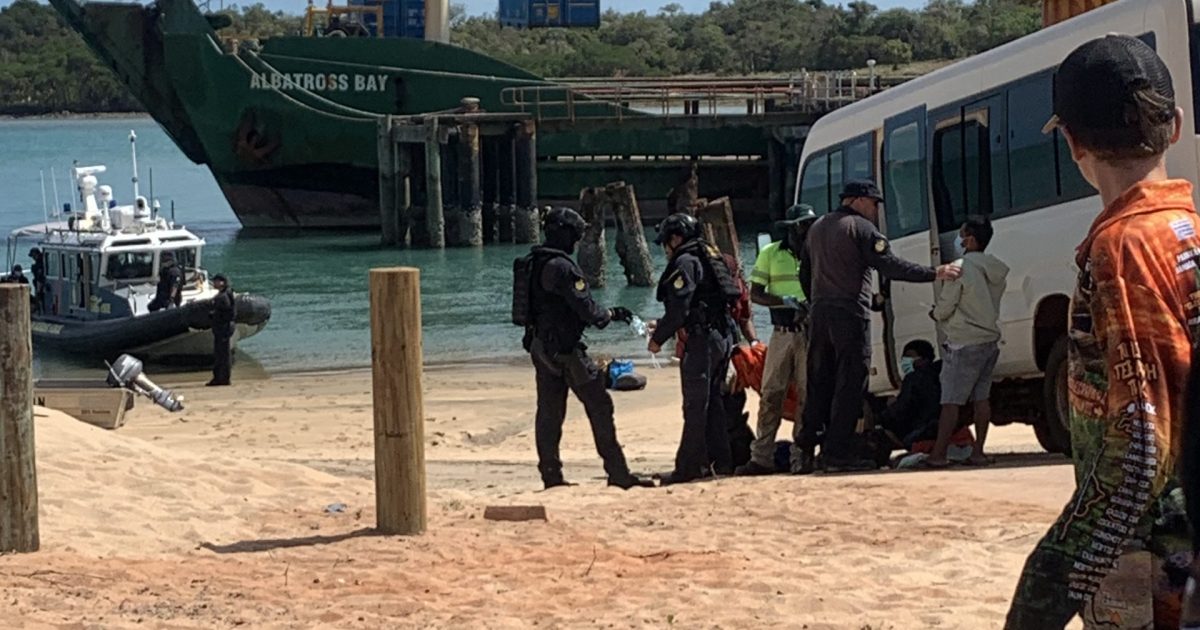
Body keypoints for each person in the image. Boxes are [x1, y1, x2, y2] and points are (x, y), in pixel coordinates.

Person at [1005, 35, 1200, 629]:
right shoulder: (1188, 234)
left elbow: (1139, 454)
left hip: (1155, 578)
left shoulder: (1121, 251)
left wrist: (1042, 595)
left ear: (1071, 142)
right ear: (1175, 127)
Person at [797, 180, 960, 473]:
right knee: (850, 383)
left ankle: (806, 450)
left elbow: (804, 273)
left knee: (819, 381)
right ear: (858, 200)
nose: (875, 210)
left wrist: (818, 300)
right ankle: (836, 454)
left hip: (820, 314)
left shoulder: (817, 227)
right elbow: (890, 265)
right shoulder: (861, 229)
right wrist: (934, 273)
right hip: (849, 312)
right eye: (874, 204)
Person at [515, 207, 653, 490]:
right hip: (566, 351)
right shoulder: (564, 268)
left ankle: (551, 476)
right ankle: (618, 474)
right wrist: (615, 313)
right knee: (600, 405)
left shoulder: (532, 263)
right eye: (576, 235)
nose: (577, 241)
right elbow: (591, 313)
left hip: (540, 347)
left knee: (549, 413)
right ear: (566, 235)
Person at [648, 213, 741, 485]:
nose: (665, 249)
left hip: (703, 341)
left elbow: (679, 308)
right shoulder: (708, 256)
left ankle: (688, 468)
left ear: (676, 239)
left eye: (666, 242)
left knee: (695, 405)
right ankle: (719, 462)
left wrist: (658, 339)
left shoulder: (686, 261)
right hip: (721, 336)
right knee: (712, 404)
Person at [737, 203, 818, 476]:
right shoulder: (770, 254)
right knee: (771, 394)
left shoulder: (818, 253)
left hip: (810, 333)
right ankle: (762, 457)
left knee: (807, 398)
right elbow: (756, 294)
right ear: (793, 228)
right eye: (804, 225)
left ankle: (800, 458)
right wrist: (784, 302)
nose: (808, 230)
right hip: (782, 333)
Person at [926, 217, 1008, 468]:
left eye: (961, 235)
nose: (958, 240)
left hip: (964, 342)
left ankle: (938, 455)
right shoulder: (995, 267)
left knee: (951, 402)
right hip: (989, 340)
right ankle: (978, 452)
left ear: (970, 239)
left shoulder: (958, 268)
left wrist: (935, 313)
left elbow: (946, 306)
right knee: (981, 399)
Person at [876, 340, 942, 452]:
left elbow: (901, 409)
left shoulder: (914, 379)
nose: (905, 361)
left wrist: (880, 417)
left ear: (924, 359)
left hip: (918, 428)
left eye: (910, 357)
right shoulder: (937, 375)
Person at [207, 274, 236, 387]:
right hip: (224, 326)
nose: (214, 283)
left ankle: (221, 378)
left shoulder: (223, 297)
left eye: (216, 281)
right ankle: (221, 377)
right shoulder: (226, 294)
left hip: (223, 327)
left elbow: (224, 311)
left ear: (222, 282)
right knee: (222, 353)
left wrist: (213, 315)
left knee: (222, 354)